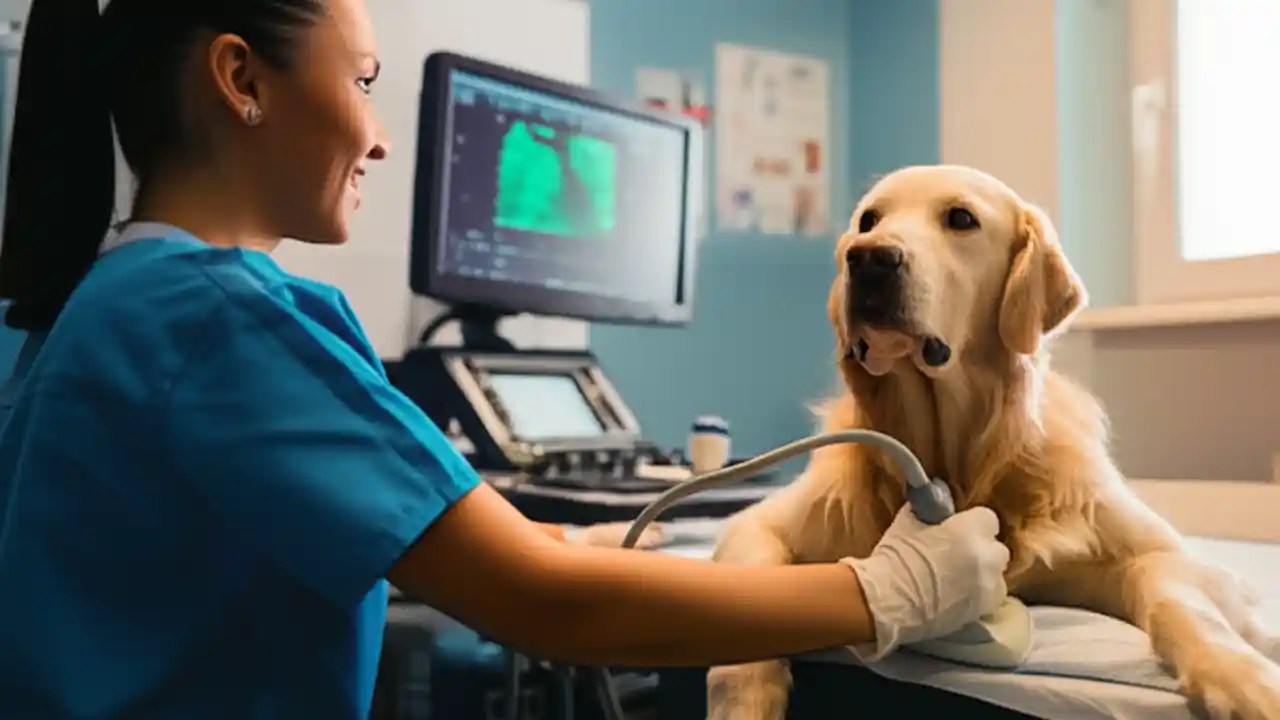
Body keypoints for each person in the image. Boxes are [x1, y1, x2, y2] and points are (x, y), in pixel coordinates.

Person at [0, 0, 1012, 717]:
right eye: (362, 82)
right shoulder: (218, 318)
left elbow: (422, 546)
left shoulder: (115, 302)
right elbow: (541, 605)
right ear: (240, 78)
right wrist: (886, 594)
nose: (380, 138)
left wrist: (562, 543)